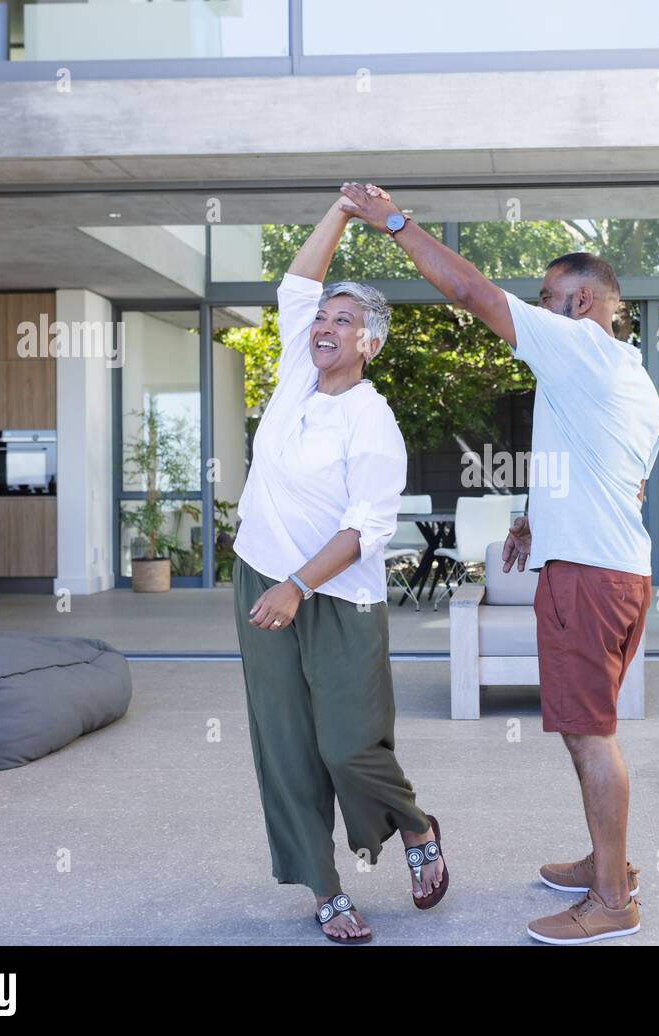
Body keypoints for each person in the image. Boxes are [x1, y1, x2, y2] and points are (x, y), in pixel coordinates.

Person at [338, 182, 659, 945]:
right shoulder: (628, 381)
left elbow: (469, 291)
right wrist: (528, 516)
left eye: (548, 296)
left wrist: (393, 222)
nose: (536, 307)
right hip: (606, 568)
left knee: (590, 734)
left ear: (583, 304)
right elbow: (608, 474)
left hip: (589, 575)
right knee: (588, 727)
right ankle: (604, 861)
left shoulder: (580, 344)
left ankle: (612, 899)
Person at [231, 195, 448, 944]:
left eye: (345, 320)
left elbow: (365, 530)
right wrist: (342, 210)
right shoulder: (296, 373)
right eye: (324, 317)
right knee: (284, 742)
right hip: (261, 577)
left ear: (370, 345)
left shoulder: (373, 421)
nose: (325, 326)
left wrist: (299, 586)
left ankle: (416, 829)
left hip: (335, 595)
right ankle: (322, 889)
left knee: (349, 743)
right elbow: (297, 283)